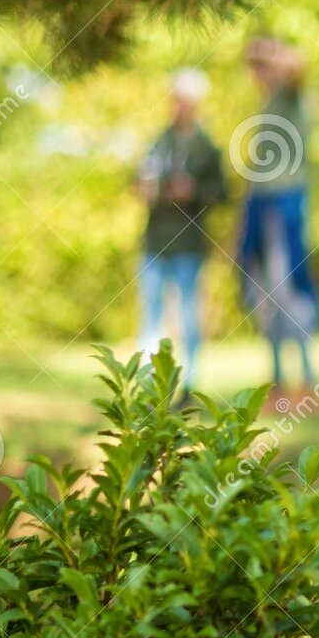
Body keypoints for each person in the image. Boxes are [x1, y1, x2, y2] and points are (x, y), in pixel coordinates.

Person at [235, 36, 319, 404]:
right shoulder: (267, 102)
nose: (258, 72)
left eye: (264, 65)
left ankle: (307, 381)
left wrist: (269, 50)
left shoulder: (293, 94)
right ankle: (278, 382)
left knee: (289, 290)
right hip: (261, 203)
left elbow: (297, 65)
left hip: (285, 204)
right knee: (263, 291)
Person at [136, 68, 226, 394]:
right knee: (151, 317)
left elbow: (221, 193)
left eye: (185, 101)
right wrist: (151, 188)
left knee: (188, 317)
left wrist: (194, 192)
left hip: (189, 244)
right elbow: (139, 180)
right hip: (155, 242)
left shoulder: (206, 147)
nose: (179, 106)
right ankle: (148, 388)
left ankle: (189, 385)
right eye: (175, 100)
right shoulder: (158, 142)